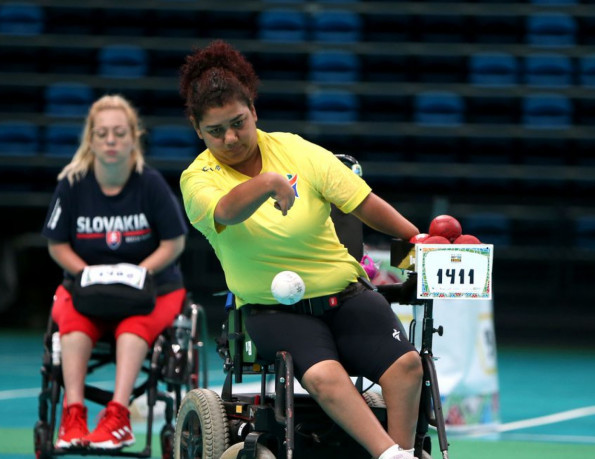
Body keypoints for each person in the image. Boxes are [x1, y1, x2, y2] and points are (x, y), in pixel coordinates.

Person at [178, 40, 423, 459]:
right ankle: (391, 455)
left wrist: (417, 241)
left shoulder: (298, 149)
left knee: (408, 367)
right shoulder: (197, 178)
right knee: (326, 377)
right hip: (273, 311)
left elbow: (362, 204)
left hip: (346, 295)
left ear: (254, 110)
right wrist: (269, 183)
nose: (231, 138)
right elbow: (227, 211)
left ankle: (399, 451)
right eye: (215, 131)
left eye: (238, 122)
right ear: (198, 129)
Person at [41, 94, 188, 450]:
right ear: (90, 139)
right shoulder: (72, 184)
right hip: (87, 288)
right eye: (103, 133)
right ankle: (73, 416)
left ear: (133, 137)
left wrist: (136, 273)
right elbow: (56, 244)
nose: (110, 141)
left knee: (132, 330)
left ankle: (118, 417)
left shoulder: (150, 184)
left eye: (119, 134)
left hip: (153, 289)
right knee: (73, 326)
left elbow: (174, 242)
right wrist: (89, 274)